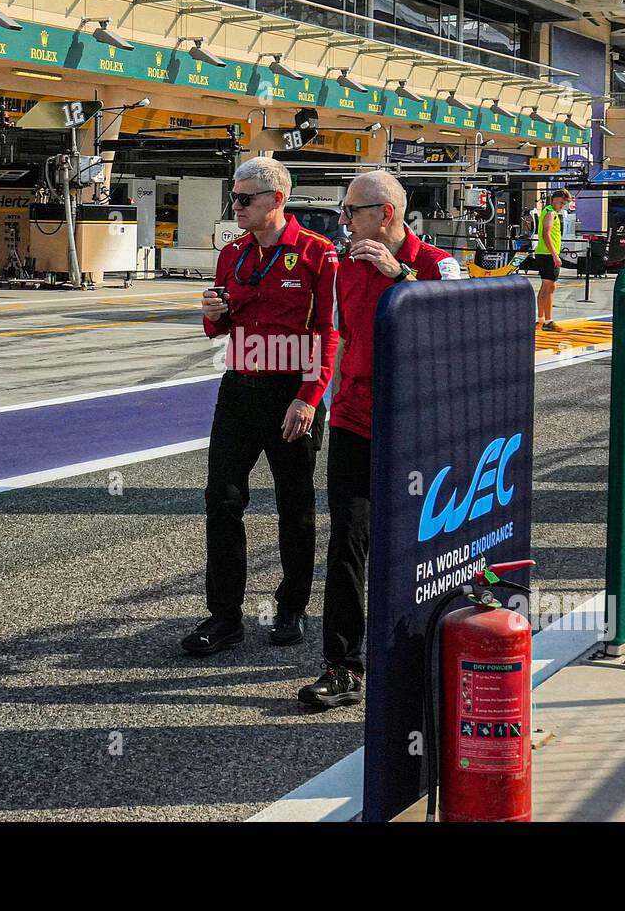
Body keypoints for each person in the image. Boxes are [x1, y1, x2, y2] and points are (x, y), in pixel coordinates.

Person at [298, 170, 462, 709]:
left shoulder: (436, 263)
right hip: (353, 417)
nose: (343, 221)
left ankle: (429, 646)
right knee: (346, 538)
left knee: (422, 543)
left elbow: (459, 324)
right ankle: (342, 666)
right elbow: (332, 331)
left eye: (352, 212)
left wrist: (400, 277)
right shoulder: (344, 265)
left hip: (416, 426)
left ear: (385, 214)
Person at [181, 157, 339, 656]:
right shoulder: (232, 254)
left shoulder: (319, 254)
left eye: (244, 198)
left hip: (293, 391)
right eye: (234, 197)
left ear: (276, 200)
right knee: (222, 500)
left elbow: (328, 332)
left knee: (295, 504)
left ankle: (292, 607)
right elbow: (222, 322)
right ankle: (224, 616)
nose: (236, 206)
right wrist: (212, 315)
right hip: (240, 387)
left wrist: (309, 398)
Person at [533, 188, 570, 333]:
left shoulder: (547, 210)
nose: (562, 206)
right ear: (555, 199)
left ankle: (541, 318)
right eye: (561, 203)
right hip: (548, 254)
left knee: (546, 286)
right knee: (549, 288)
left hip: (543, 253)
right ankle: (548, 321)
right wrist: (555, 255)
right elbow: (546, 233)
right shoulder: (551, 213)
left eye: (564, 204)